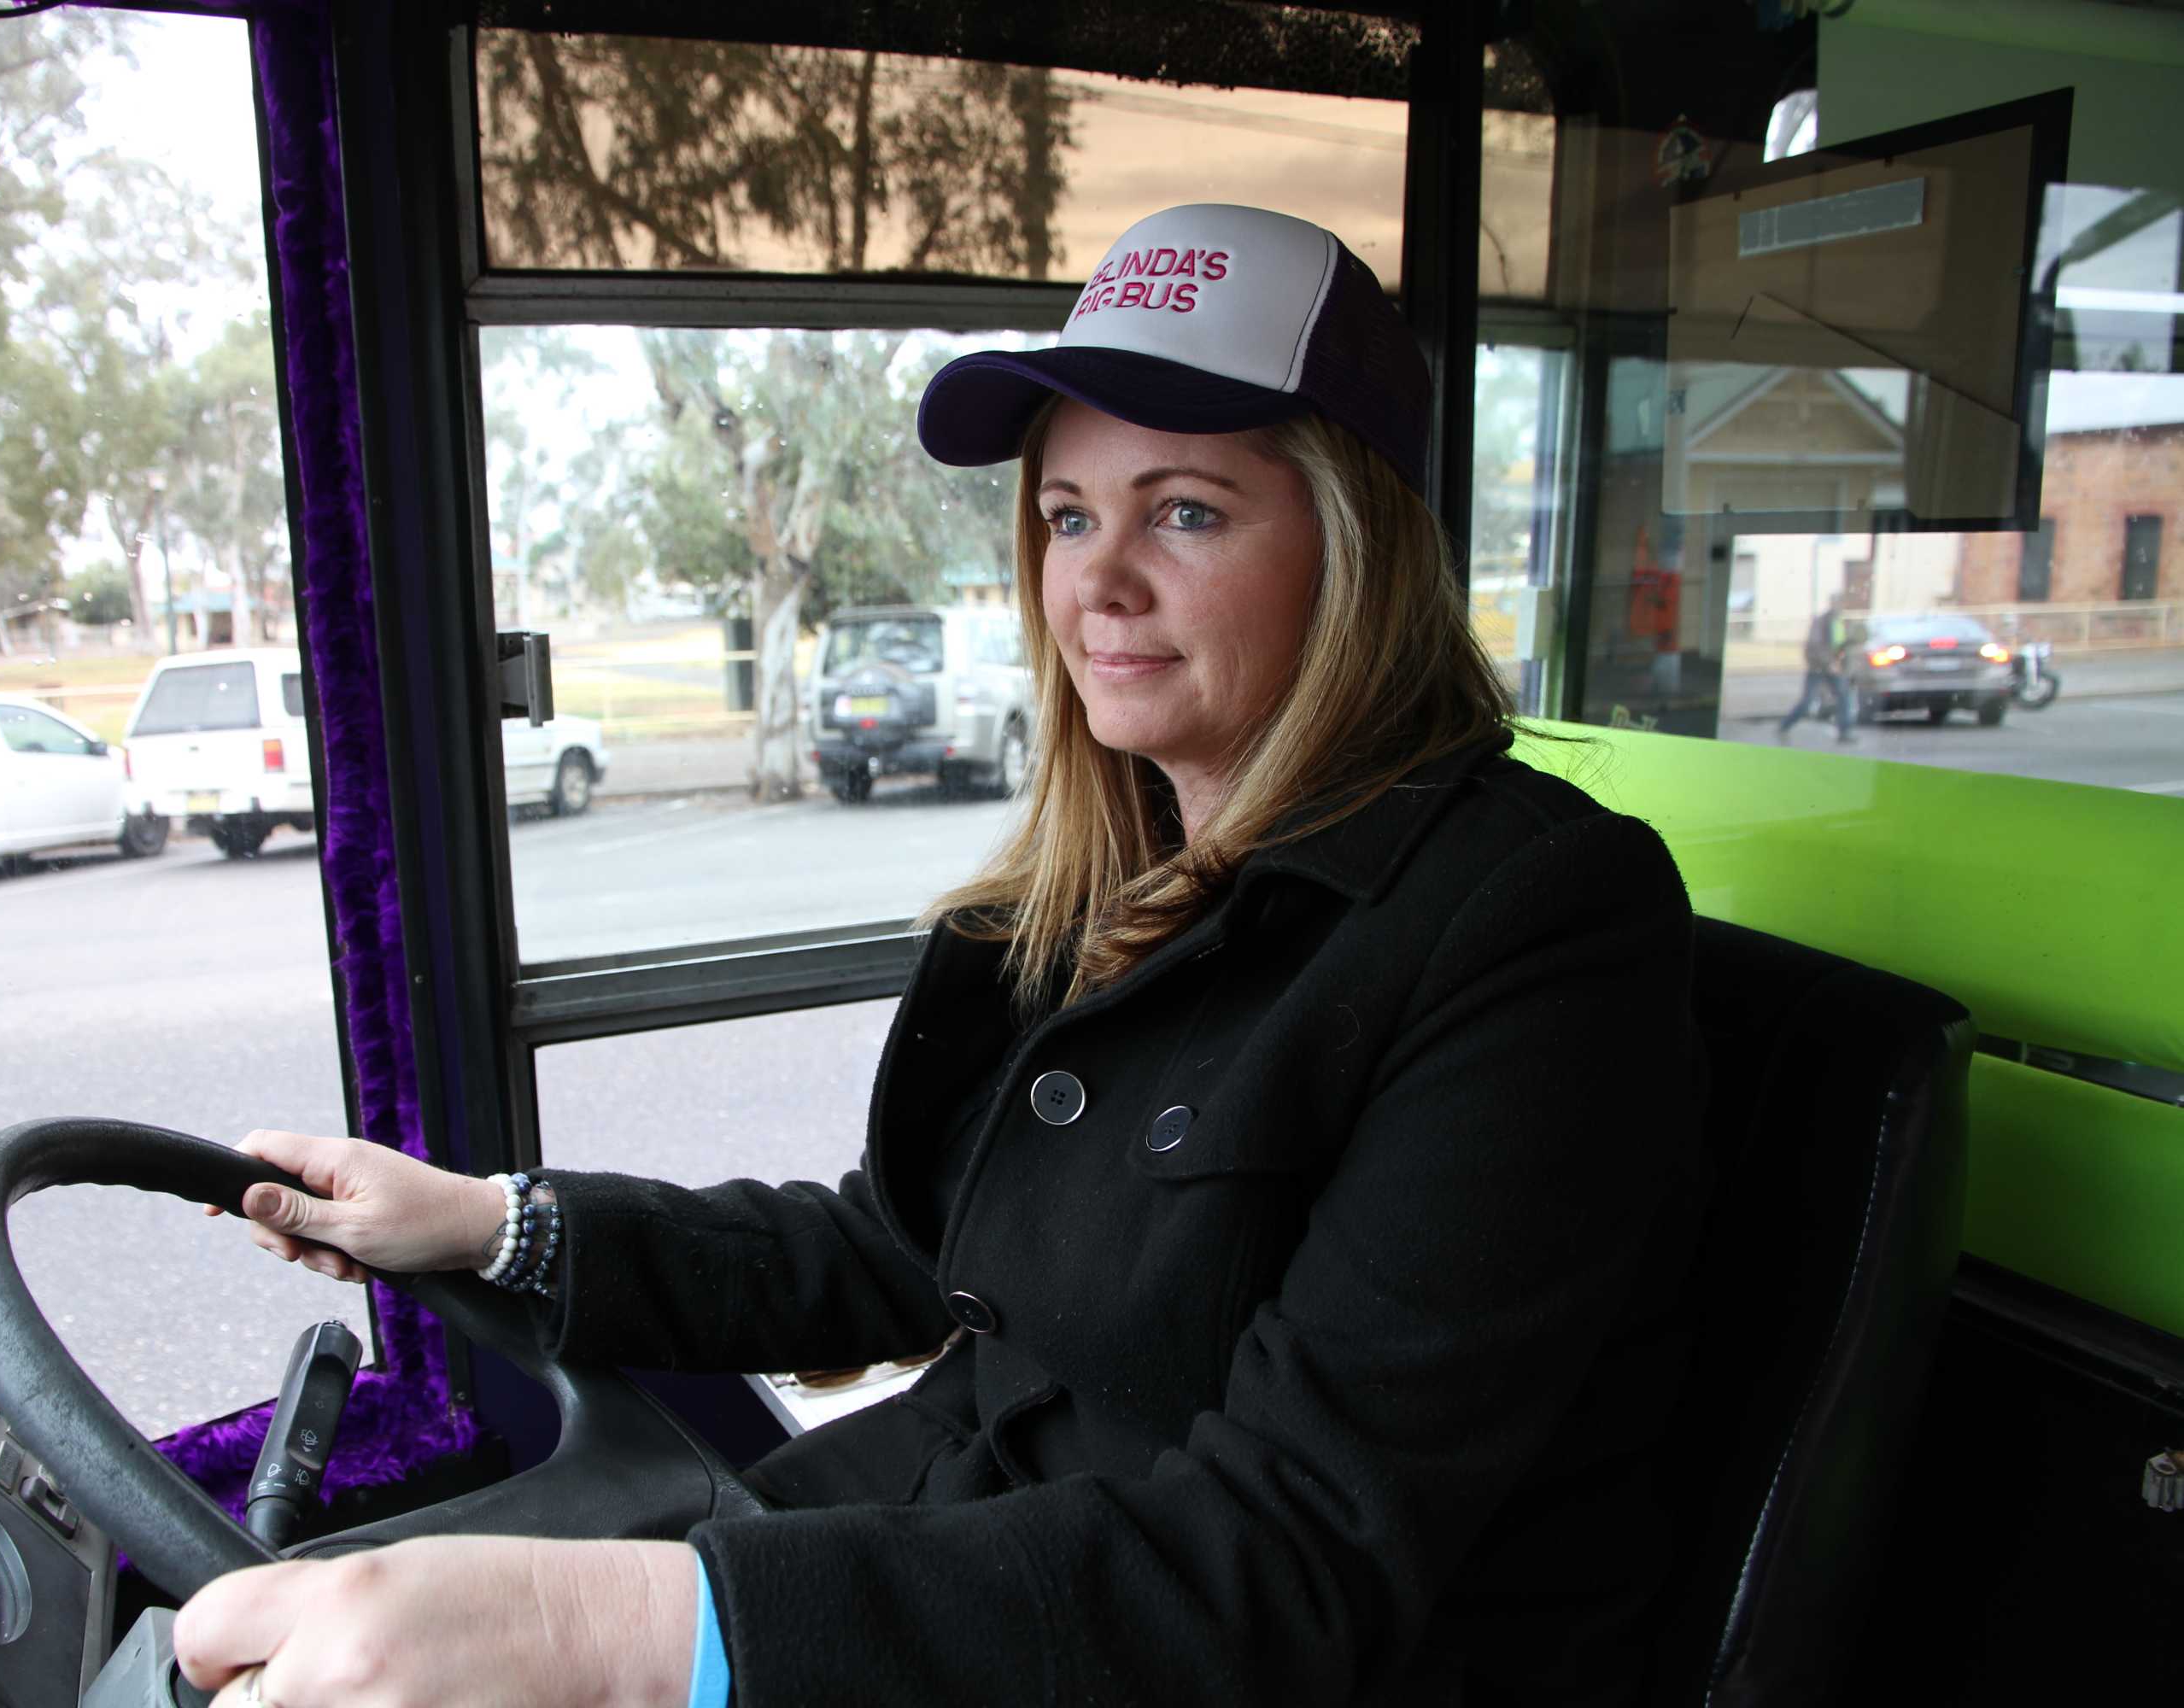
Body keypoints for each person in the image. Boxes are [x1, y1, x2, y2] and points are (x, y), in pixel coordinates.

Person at [174, 203, 1707, 1707]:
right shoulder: (1114, 877)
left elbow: (1289, 1563)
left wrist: (601, 1632)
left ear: (1354, 547)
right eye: (1069, 515)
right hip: (952, 1566)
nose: (1097, 582)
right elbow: (905, 1249)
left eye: (1186, 511)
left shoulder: (1536, 922)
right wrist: (494, 1226)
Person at [1779, 596, 1857, 742]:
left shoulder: (1839, 622)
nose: (1840, 606)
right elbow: (1814, 647)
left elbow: (1839, 646)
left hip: (1833, 669)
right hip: (1818, 668)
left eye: (1842, 603)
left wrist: (1842, 660)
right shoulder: (1821, 622)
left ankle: (1844, 732)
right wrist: (1829, 663)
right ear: (1832, 604)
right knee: (1807, 701)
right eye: (1838, 603)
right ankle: (1785, 726)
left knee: (1843, 697)